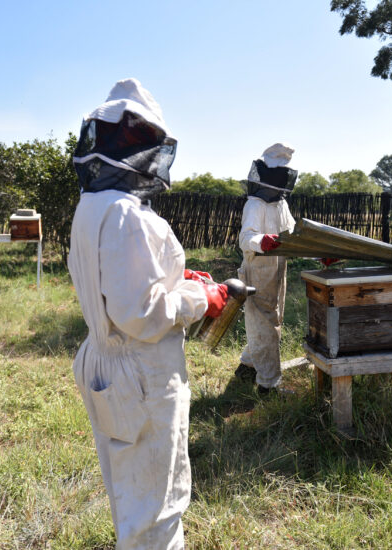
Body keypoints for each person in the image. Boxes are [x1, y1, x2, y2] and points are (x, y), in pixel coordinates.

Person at [68, 78, 228, 550]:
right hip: (142, 371)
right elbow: (144, 313)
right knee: (158, 506)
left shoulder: (91, 206)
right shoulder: (126, 214)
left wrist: (181, 280)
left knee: (130, 491)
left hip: (104, 361)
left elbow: (123, 285)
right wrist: (205, 298)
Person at [236, 143, 298, 394]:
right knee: (265, 325)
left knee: (272, 319)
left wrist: (317, 254)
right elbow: (245, 238)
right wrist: (261, 241)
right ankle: (268, 385)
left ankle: (247, 366)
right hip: (256, 269)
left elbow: (293, 233)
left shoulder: (280, 205)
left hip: (277, 268)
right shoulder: (255, 205)